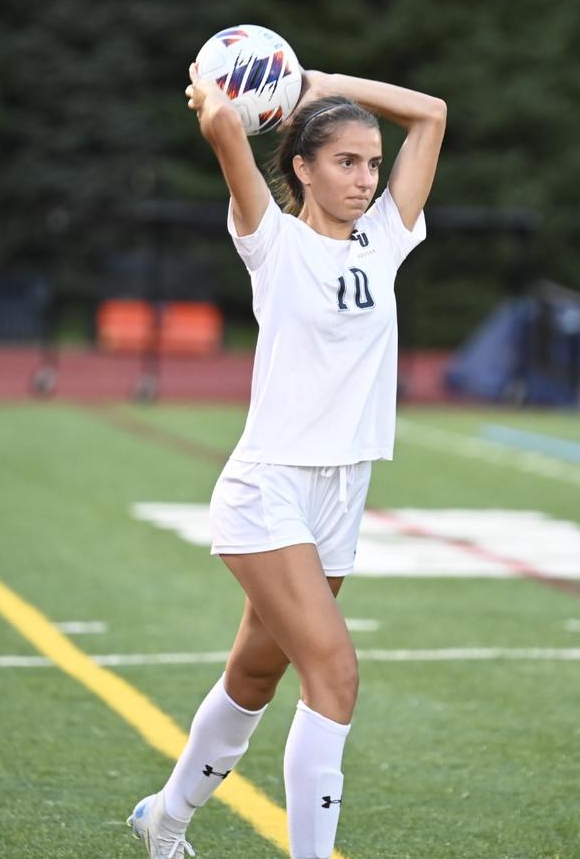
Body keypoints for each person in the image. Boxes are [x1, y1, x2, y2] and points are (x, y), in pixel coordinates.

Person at [128, 60, 446, 859]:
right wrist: (219, 95)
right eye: (346, 161)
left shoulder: (385, 240)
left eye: (373, 163)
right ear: (301, 167)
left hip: (342, 493)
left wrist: (332, 81)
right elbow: (225, 130)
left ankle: (164, 819)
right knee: (334, 674)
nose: (366, 179)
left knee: (255, 677)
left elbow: (433, 115)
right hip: (267, 488)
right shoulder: (271, 241)